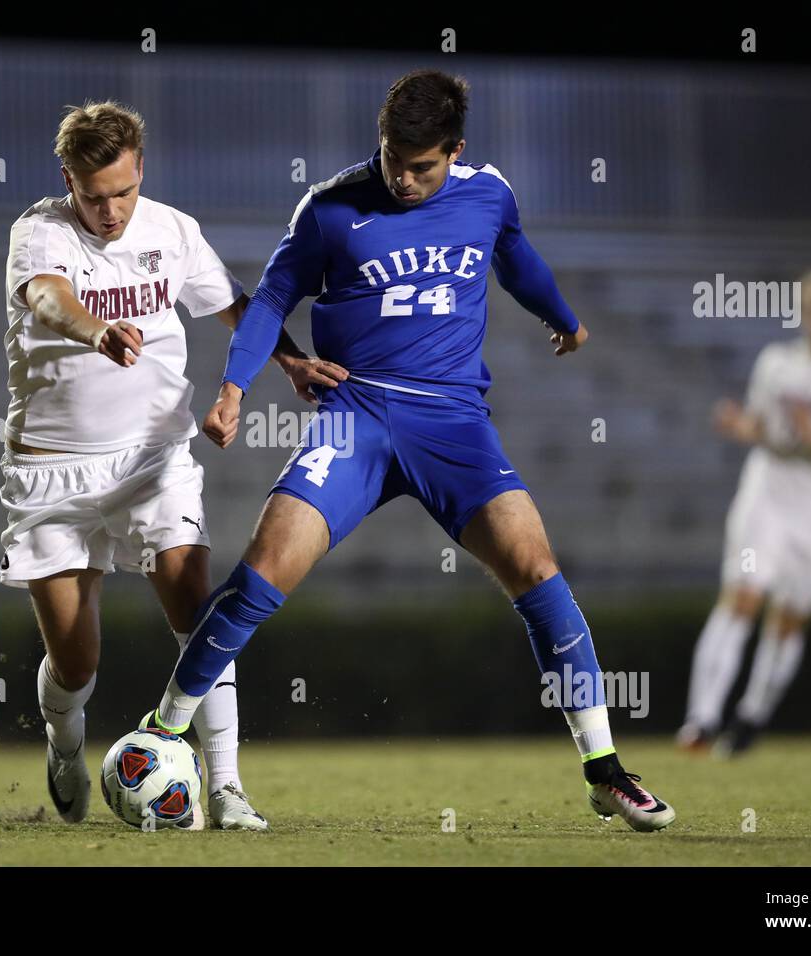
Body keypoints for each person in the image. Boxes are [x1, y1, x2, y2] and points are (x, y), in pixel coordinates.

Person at [139, 70, 675, 831]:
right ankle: (162, 732)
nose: (403, 177)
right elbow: (269, 297)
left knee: (537, 567)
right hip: (356, 415)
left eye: (421, 165)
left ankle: (605, 769)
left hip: (453, 422)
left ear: (454, 151)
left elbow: (514, 257)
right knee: (264, 568)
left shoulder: (489, 193)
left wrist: (562, 315)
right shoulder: (330, 207)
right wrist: (235, 388)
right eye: (393, 157)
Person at [0, 101, 343, 828]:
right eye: (94, 196)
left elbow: (233, 304)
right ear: (69, 180)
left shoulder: (172, 230)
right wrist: (98, 334)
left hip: (156, 456)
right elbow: (49, 299)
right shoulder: (39, 231)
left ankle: (226, 787)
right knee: (75, 662)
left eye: (123, 191)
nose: (111, 210)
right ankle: (65, 745)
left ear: (140, 171)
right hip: (53, 473)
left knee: (197, 605)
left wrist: (288, 361)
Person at [678, 268, 811, 755]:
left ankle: (752, 714)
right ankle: (702, 718)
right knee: (742, 594)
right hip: (768, 494)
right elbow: (762, 426)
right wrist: (740, 426)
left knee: (790, 617)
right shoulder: (776, 363)